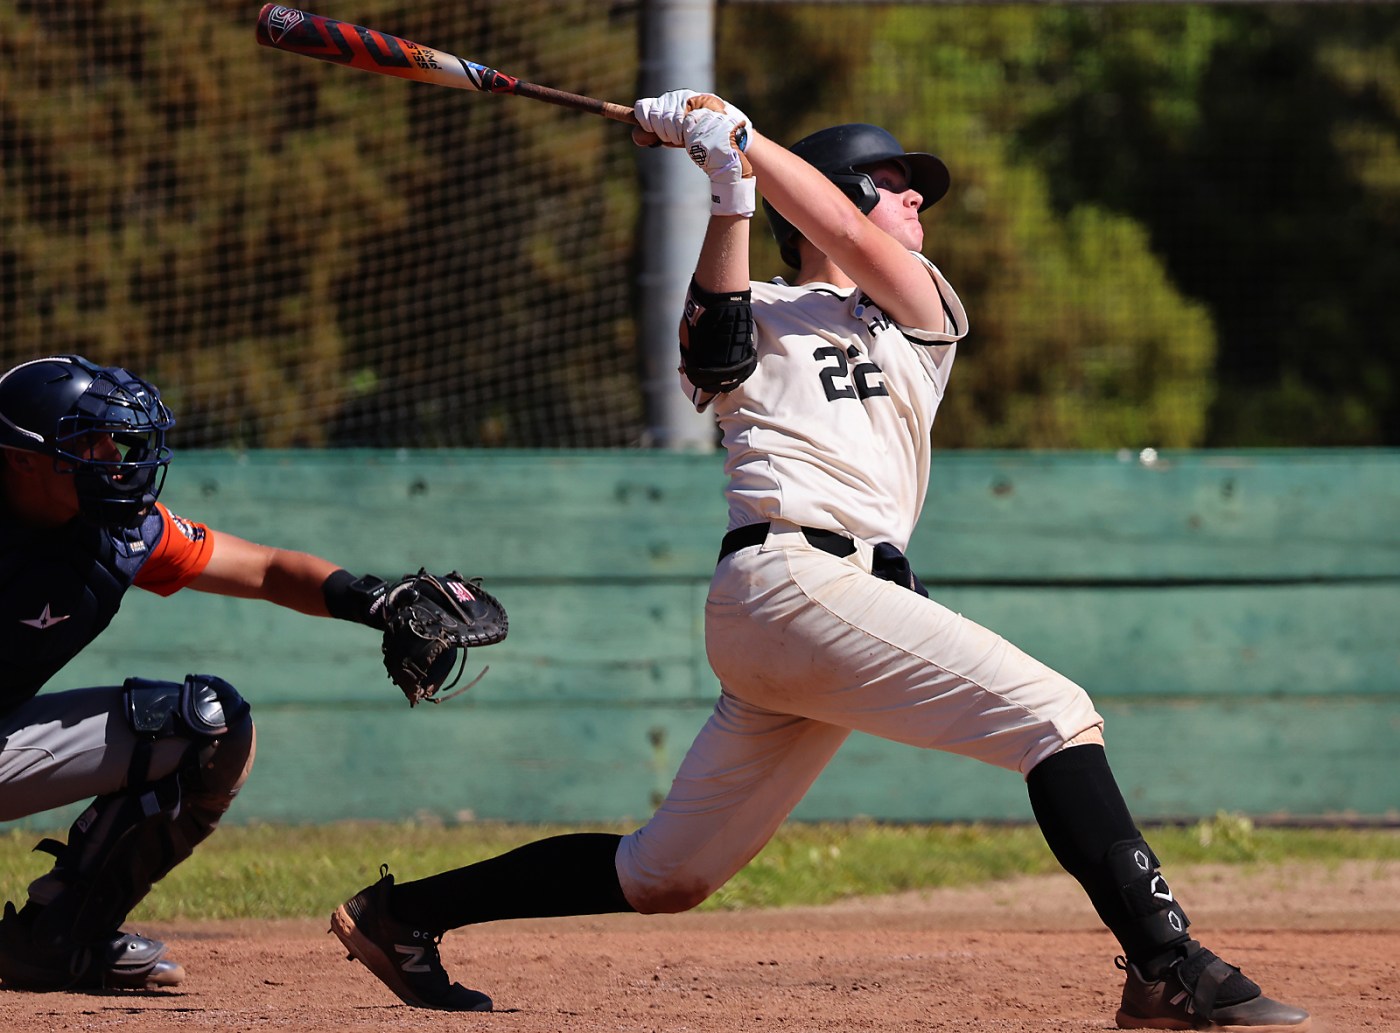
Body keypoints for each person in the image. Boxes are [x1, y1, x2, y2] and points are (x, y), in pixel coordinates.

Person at [328, 92, 1310, 1031]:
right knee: (1052, 714)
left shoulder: (920, 311)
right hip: (784, 577)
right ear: (835, 191)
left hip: (828, 603)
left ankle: (400, 914)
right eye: (890, 179)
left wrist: (738, 136)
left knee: (666, 875)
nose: (914, 194)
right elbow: (711, 361)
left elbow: (849, 241)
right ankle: (1166, 965)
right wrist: (728, 186)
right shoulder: (752, 302)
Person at [0, 354, 470, 992]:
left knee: (209, 726)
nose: (113, 454)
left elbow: (269, 569)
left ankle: (59, 938)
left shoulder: (121, 532)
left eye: (114, 437)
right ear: (21, 457)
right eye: (88, 441)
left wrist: (376, 601)